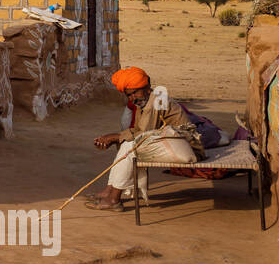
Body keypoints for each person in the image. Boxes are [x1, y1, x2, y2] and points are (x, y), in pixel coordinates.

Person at [85, 66, 205, 211]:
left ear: (147, 87)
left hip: (187, 148)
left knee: (131, 147)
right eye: (128, 95)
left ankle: (113, 199)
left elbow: (143, 135)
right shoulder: (145, 101)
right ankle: (109, 190)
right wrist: (114, 138)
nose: (132, 98)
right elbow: (137, 130)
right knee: (127, 143)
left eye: (134, 93)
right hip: (171, 143)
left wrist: (116, 137)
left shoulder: (155, 101)